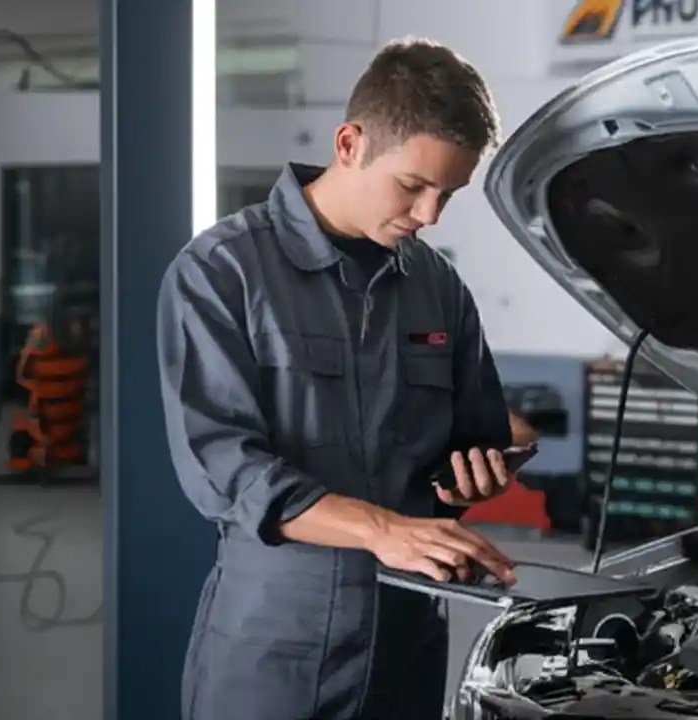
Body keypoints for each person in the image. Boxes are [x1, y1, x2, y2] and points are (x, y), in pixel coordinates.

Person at [156, 37, 537, 720]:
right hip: (275, 639)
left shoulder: (437, 286)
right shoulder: (221, 273)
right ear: (349, 142)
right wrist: (378, 528)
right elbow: (224, 470)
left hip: (408, 633)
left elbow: (471, 436)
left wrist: (479, 472)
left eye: (448, 194)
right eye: (413, 185)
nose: (429, 216)